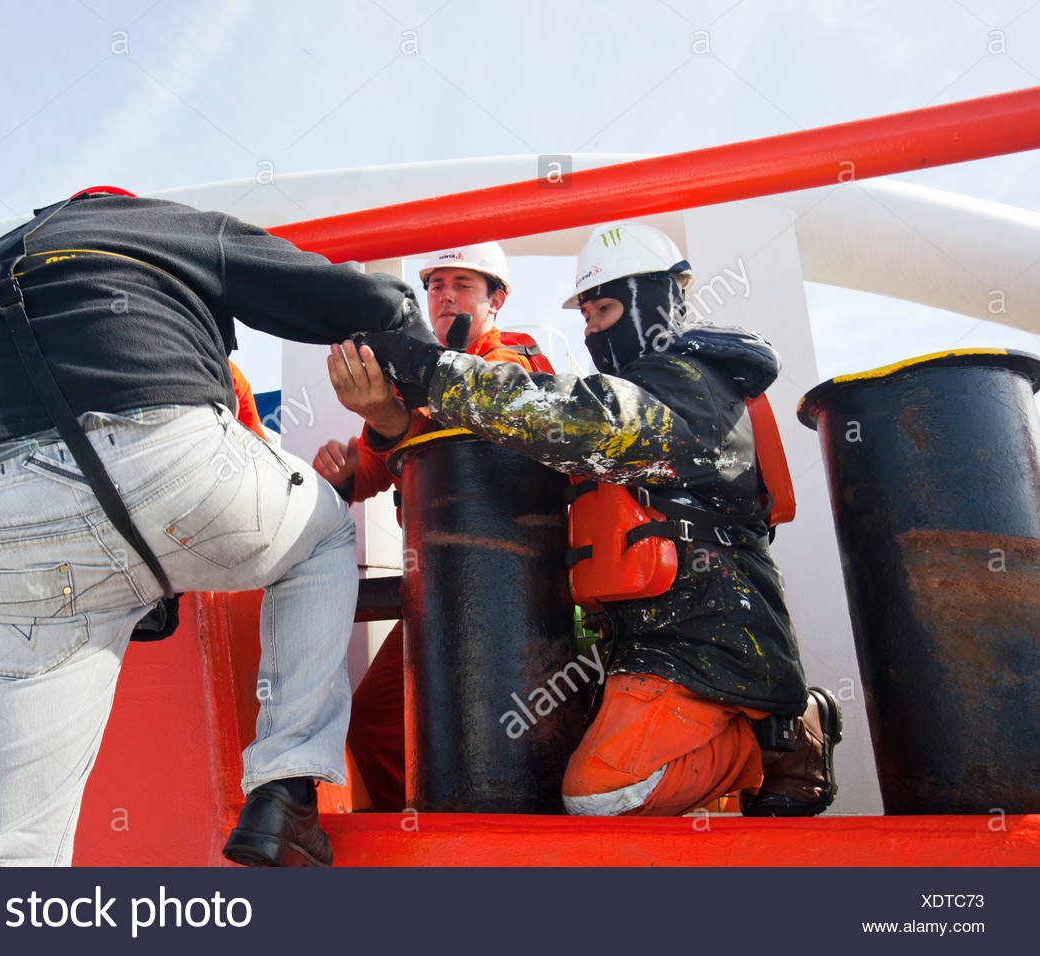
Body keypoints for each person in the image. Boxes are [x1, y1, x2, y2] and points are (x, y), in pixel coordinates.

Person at [0, 186, 425, 867]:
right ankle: (284, 788)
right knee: (321, 534)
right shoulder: (162, 225)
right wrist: (416, 363)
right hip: (162, 457)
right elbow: (363, 302)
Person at [357, 221, 842, 817]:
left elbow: (586, 419)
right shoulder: (638, 383)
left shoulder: (689, 387)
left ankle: (778, 734)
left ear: (655, 303)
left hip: (710, 643)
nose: (592, 329)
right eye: (585, 316)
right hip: (630, 645)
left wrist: (433, 372)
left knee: (602, 796)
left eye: (606, 309)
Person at [311, 242, 552, 810]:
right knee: (376, 720)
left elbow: (477, 430)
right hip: (445, 590)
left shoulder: (515, 364)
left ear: (497, 300)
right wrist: (347, 471)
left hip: (517, 594)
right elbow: (379, 467)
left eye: (462, 284)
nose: (444, 296)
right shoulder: (413, 379)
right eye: (435, 285)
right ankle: (422, 839)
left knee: (511, 737)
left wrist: (392, 418)